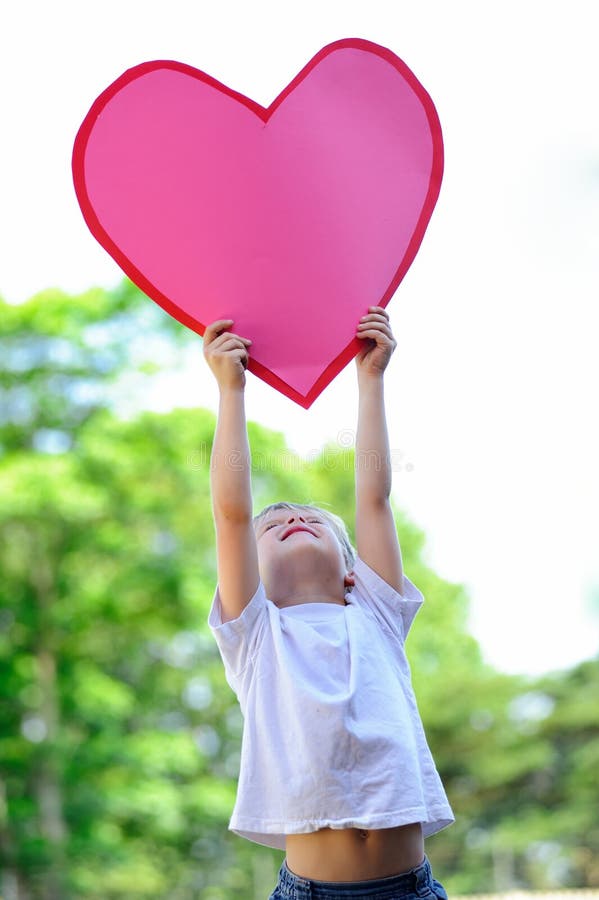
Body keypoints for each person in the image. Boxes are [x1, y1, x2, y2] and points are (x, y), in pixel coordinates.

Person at [204, 307, 454, 899]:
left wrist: (371, 380)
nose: (293, 516)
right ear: (254, 577)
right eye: (277, 526)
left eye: (312, 520)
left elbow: (374, 500)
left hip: (411, 890)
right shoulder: (258, 634)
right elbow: (232, 511)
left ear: (352, 573)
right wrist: (230, 390)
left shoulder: (375, 614)